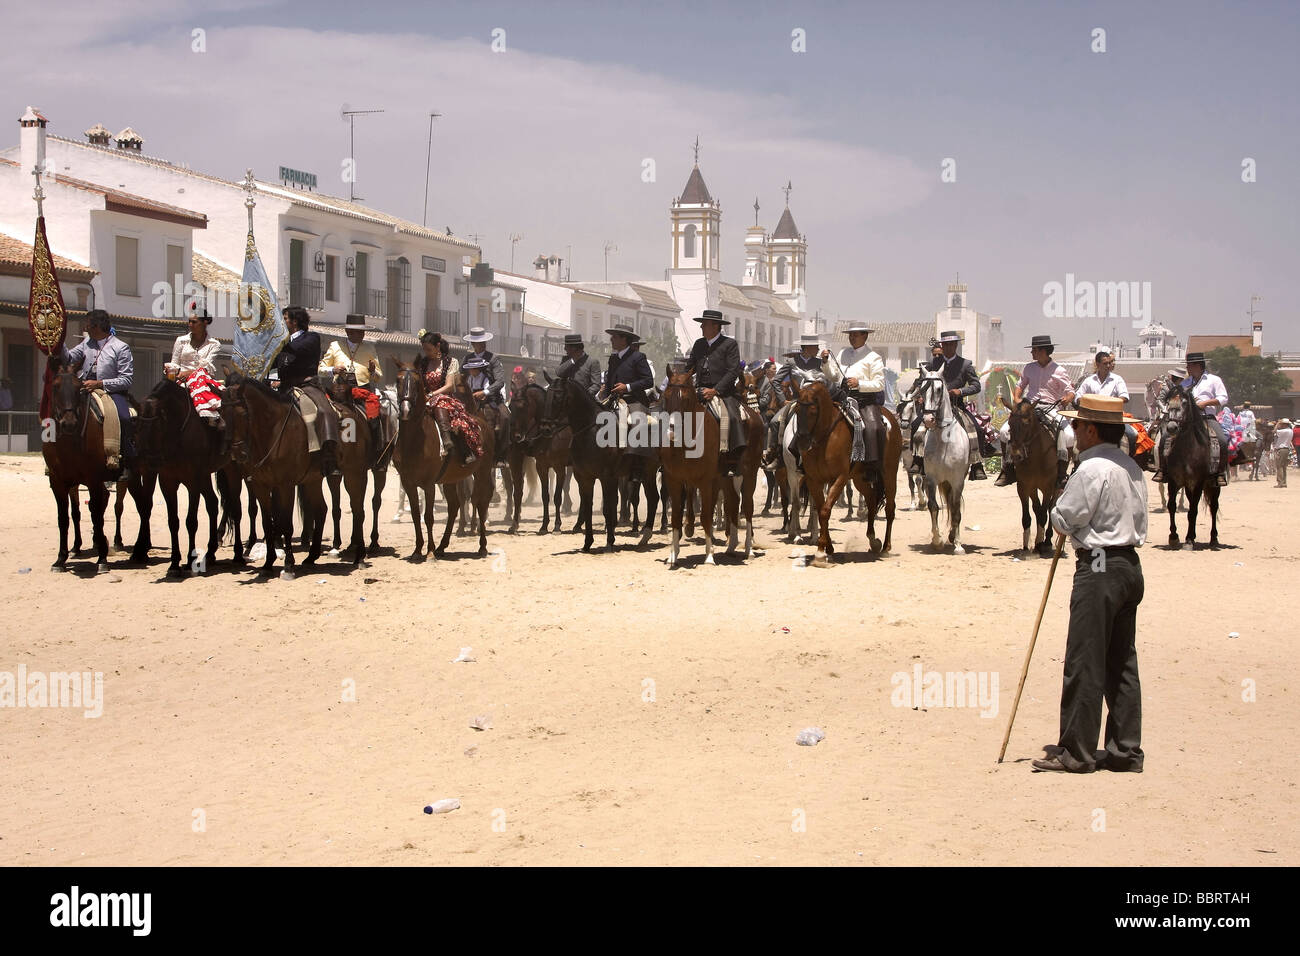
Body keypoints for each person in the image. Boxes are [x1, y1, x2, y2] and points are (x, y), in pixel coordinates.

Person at [1033, 394, 1148, 774]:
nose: (1074, 431)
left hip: (1098, 568)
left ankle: (1077, 751)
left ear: (1093, 429)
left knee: (1085, 660)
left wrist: (1057, 509)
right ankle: (1124, 751)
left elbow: (1065, 520)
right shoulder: (1130, 466)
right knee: (1122, 662)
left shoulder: (1091, 469)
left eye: (1078, 425)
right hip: (1129, 566)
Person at [59, 309, 135, 476]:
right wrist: (59, 340)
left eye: (88, 325)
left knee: (123, 417)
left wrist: (100, 383)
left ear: (98, 326)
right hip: (84, 388)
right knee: (63, 409)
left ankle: (125, 460)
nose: (86, 328)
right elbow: (68, 358)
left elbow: (126, 379)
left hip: (111, 392)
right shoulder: (87, 343)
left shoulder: (121, 347)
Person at [995, 334, 1076, 490]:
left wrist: (1067, 398)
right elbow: (1020, 385)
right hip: (1029, 407)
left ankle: (1061, 474)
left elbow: (1070, 390)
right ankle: (1008, 468)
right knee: (1005, 431)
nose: (1032, 353)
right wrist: (1017, 399)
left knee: (1069, 436)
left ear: (1043, 351)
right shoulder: (1029, 368)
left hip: (1051, 408)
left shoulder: (1059, 370)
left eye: (1034, 350)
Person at [911, 330, 986, 480]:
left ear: (956, 345)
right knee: (916, 425)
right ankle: (918, 460)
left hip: (956, 406)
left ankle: (976, 464)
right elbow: (921, 382)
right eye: (946, 344)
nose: (949, 347)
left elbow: (976, 385)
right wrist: (920, 394)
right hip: (933, 407)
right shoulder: (933, 363)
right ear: (942, 345)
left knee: (976, 428)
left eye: (952, 344)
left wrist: (961, 391)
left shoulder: (965, 364)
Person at [276, 306, 341, 477]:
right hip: (283, 387)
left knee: (326, 411)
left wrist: (277, 344)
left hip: (307, 386)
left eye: (284, 319)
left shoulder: (311, 338)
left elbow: (296, 349)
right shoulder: (281, 342)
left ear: (295, 321)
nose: (282, 322)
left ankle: (329, 456)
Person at [1150, 352, 1229, 487]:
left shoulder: (1214, 380)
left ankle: (1220, 472)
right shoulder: (1186, 382)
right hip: (1185, 420)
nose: (1187, 368)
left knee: (1221, 440)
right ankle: (1163, 470)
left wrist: (1205, 403)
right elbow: (1176, 397)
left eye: (1189, 365)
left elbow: (1223, 398)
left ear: (1198, 365)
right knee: (1164, 438)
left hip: (1206, 417)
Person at [683, 308, 745, 472]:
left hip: (723, 393)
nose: (701, 327)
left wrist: (715, 390)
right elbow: (689, 368)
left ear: (715, 326)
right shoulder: (698, 344)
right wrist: (680, 380)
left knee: (732, 418)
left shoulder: (729, 344)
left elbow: (733, 371)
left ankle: (732, 460)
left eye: (704, 324)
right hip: (698, 391)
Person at [821, 323, 885, 469]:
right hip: (842, 397)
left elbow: (879, 384)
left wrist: (859, 383)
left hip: (864, 400)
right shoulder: (843, 353)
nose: (852, 338)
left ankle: (872, 466)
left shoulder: (874, 357)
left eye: (856, 335)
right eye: (850, 335)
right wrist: (825, 363)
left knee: (873, 428)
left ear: (865, 336)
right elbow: (834, 376)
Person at [166, 303, 226, 451]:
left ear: (204, 323)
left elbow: (207, 366)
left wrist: (190, 373)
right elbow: (174, 362)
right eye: (189, 321)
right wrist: (176, 373)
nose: (190, 325)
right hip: (180, 380)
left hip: (203, 380)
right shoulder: (181, 340)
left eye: (194, 322)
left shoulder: (214, 344)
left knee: (201, 375)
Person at [415, 331, 481, 464]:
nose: (426, 352)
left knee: (439, 402)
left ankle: (447, 440)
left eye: (429, 349)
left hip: (445, 398)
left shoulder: (451, 362)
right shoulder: (422, 363)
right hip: (425, 398)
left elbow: (450, 386)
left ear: (437, 347)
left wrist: (432, 394)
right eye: (424, 349)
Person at [761, 335, 824, 468]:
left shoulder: (819, 363)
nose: (818, 349)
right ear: (807, 348)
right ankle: (775, 456)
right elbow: (777, 381)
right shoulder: (791, 362)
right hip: (796, 401)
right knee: (774, 422)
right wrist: (782, 400)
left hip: (813, 403)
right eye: (815, 346)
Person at [1274, 419, 1293, 488]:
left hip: (1282, 449)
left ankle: (1280, 483)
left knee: (1279, 466)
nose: (1281, 425)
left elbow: (1275, 431)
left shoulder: (1284, 431)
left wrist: (1277, 424)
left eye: (1282, 424)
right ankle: (1284, 482)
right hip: (1286, 449)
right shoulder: (1290, 430)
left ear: (1285, 424)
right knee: (1283, 467)